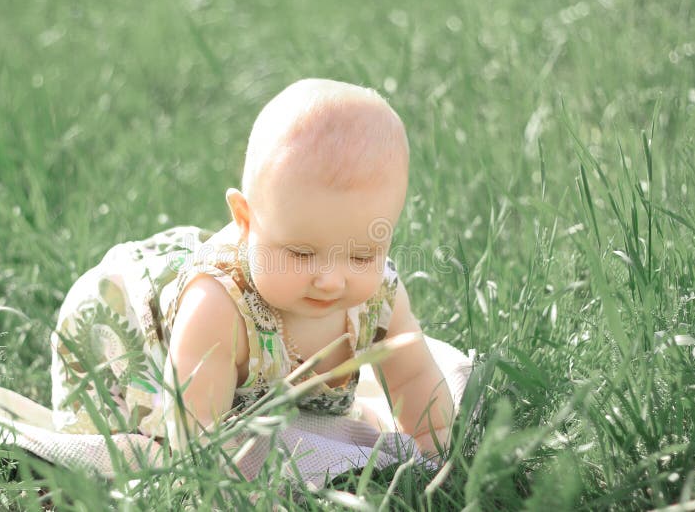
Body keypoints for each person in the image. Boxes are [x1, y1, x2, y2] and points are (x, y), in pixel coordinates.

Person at [50, 78, 459, 461]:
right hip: (125, 339)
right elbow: (195, 429)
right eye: (300, 253)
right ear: (245, 220)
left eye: (361, 255)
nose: (332, 280)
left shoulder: (379, 298)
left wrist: (433, 454)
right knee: (125, 447)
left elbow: (414, 378)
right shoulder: (218, 305)